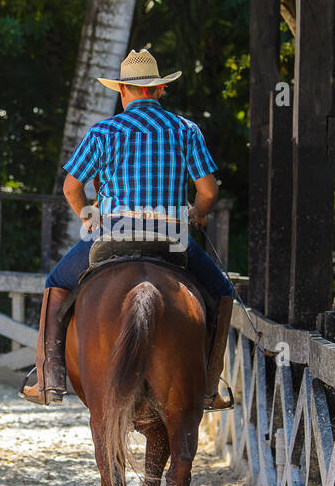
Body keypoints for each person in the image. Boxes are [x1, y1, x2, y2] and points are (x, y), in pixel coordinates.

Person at [20, 47, 235, 408]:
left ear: (122, 91)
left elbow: (71, 187)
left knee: (56, 285)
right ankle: (211, 385)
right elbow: (209, 191)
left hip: (113, 235)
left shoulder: (104, 131)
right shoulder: (186, 130)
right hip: (171, 238)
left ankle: (48, 377)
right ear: (160, 90)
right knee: (222, 290)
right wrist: (196, 214)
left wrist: (91, 217)